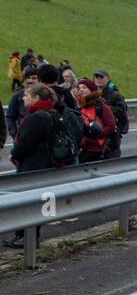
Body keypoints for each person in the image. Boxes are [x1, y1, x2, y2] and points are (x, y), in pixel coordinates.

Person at [4, 85, 61, 249]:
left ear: (36, 98)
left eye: (27, 95)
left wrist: (14, 155)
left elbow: (26, 143)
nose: (23, 98)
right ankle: (24, 235)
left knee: (28, 200)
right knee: (35, 200)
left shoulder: (37, 117)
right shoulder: (52, 113)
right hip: (46, 163)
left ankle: (27, 237)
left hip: (33, 165)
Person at [74, 78, 117, 163]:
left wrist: (95, 136)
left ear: (92, 90)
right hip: (84, 150)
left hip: (99, 150)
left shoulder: (102, 107)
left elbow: (111, 126)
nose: (81, 90)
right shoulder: (79, 109)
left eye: (84, 87)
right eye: (79, 88)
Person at [93, 69, 129, 159]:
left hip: (112, 132)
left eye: (101, 77)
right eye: (96, 77)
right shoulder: (92, 94)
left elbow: (121, 110)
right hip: (96, 129)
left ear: (108, 79)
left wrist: (105, 109)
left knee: (112, 155)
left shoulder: (115, 95)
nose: (98, 79)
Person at [5, 66, 38, 142]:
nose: (30, 80)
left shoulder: (42, 95)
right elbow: (10, 116)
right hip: (21, 138)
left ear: (39, 79)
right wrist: (14, 134)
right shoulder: (17, 96)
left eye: (34, 78)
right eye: (28, 78)